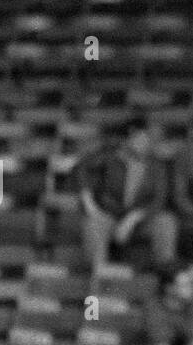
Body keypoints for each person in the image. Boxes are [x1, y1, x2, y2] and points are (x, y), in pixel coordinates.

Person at [73, 115, 178, 272]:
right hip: (109, 215)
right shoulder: (110, 157)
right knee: (92, 224)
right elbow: (81, 170)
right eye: (139, 137)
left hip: (139, 220)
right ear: (129, 138)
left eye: (148, 138)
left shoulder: (157, 166)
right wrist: (90, 205)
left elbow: (159, 200)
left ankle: (165, 274)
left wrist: (133, 218)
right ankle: (100, 276)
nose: (143, 142)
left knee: (166, 221)